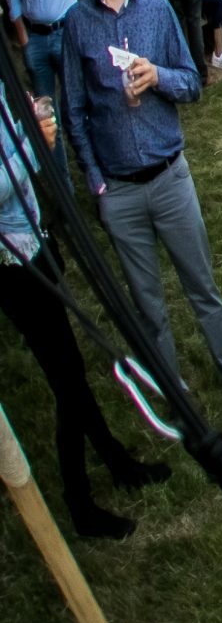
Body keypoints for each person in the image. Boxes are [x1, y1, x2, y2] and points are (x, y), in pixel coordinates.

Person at [59, 0, 222, 423]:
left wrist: (157, 75)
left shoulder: (155, 9)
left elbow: (192, 82)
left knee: (202, 287)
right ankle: (172, 392)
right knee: (149, 305)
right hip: (120, 190)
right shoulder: (77, 25)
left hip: (168, 175)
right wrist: (96, 183)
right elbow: (74, 112)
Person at [1, 93, 174, 540]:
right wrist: (32, 142)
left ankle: (116, 462)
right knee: (67, 377)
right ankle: (80, 506)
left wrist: (25, 122)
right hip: (14, 265)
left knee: (70, 369)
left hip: (33, 241)